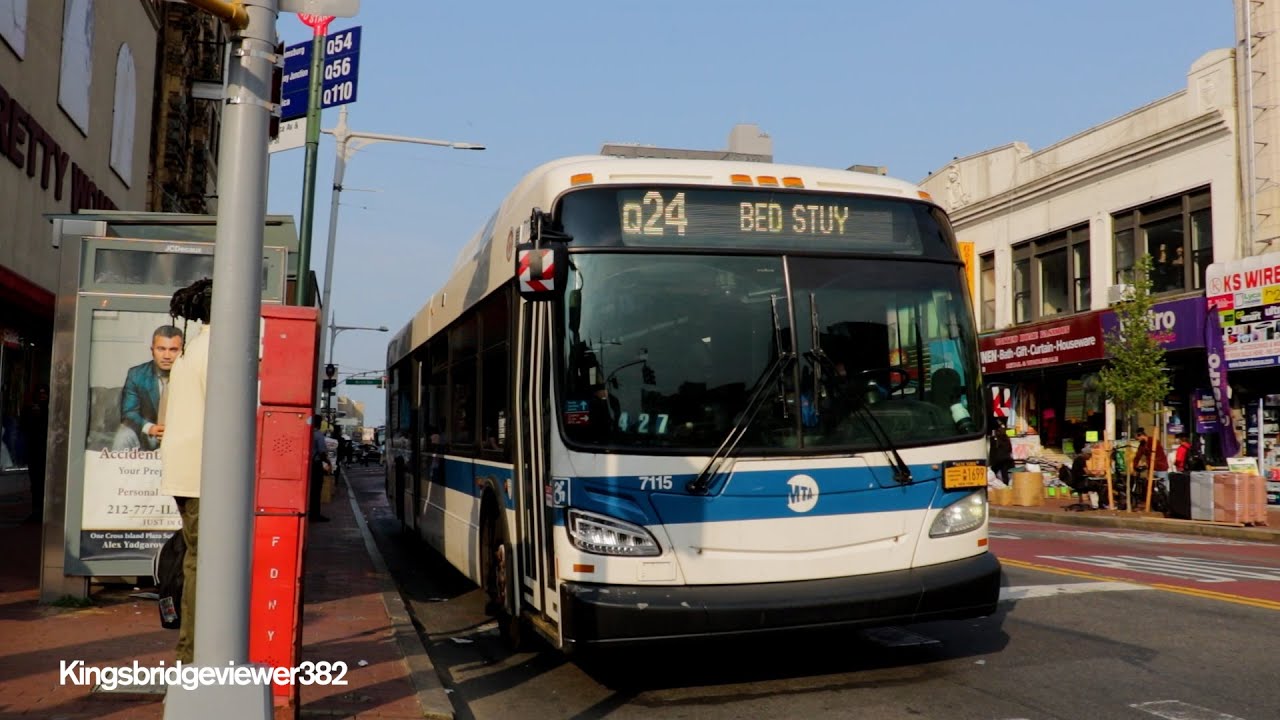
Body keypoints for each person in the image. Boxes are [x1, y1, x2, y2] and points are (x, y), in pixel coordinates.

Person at [158, 278, 212, 665]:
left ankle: (191, 652)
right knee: (205, 561)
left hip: (189, 471)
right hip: (203, 476)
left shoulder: (196, 348)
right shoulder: (215, 350)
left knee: (197, 558)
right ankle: (192, 654)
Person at [113, 325, 183, 451]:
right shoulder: (136, 374)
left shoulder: (191, 376)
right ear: (152, 350)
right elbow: (129, 412)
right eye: (161, 349)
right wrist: (150, 428)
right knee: (123, 435)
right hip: (146, 433)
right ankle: (114, 470)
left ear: (182, 351)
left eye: (173, 350)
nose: (167, 356)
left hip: (180, 434)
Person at [20, 384, 49, 523]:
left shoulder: (50, 410)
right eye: (40, 394)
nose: (42, 396)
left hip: (47, 453)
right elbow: (24, 427)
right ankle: (36, 510)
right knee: (36, 483)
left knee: (45, 483)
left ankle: (43, 511)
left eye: (45, 394)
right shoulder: (30, 410)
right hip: (35, 451)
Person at [310, 415, 331, 522]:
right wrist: (328, 462)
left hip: (307, 466)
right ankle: (315, 515)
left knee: (309, 491)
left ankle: (309, 513)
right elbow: (322, 452)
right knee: (316, 491)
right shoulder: (318, 435)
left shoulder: (307, 433)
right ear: (319, 423)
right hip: (316, 465)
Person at [988, 417, 1014, 485]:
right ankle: (1005, 485)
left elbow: (993, 451)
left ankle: (1004, 486)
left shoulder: (996, 438)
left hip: (1000, 459)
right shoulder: (1005, 437)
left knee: (997, 472)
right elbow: (1009, 449)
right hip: (1004, 459)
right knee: (1003, 473)